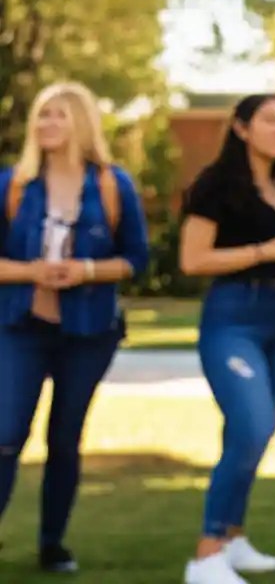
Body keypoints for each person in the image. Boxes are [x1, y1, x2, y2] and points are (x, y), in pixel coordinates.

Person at [0, 82, 149, 574]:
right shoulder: (13, 185)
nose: (46, 124)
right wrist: (31, 272)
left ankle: (52, 544)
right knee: (5, 433)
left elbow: (136, 258)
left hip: (89, 332)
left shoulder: (112, 185)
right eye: (42, 115)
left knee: (64, 440)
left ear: (81, 123)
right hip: (20, 326)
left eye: (58, 115)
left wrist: (85, 270)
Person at [179, 94, 275, 584]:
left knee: (247, 433)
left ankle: (233, 538)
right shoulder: (216, 185)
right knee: (254, 424)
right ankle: (206, 555)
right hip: (234, 318)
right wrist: (266, 250)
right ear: (241, 128)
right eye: (270, 120)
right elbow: (193, 259)